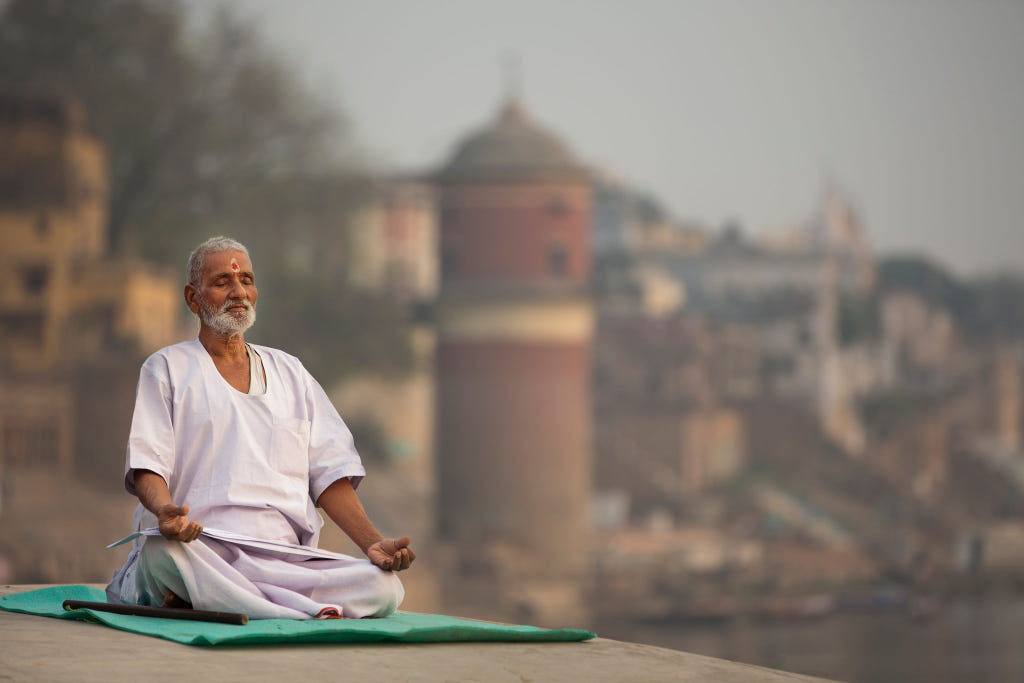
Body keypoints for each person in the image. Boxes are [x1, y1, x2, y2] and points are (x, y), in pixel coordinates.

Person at [106, 236, 414, 620]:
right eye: (222, 282)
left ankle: (234, 604)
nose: (238, 291)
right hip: (200, 549)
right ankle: (296, 611)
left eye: (247, 280)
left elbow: (331, 475)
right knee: (159, 555)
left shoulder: (291, 372)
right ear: (192, 298)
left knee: (384, 588)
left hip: (285, 562)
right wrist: (165, 510)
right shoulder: (166, 368)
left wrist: (372, 544)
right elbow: (148, 464)